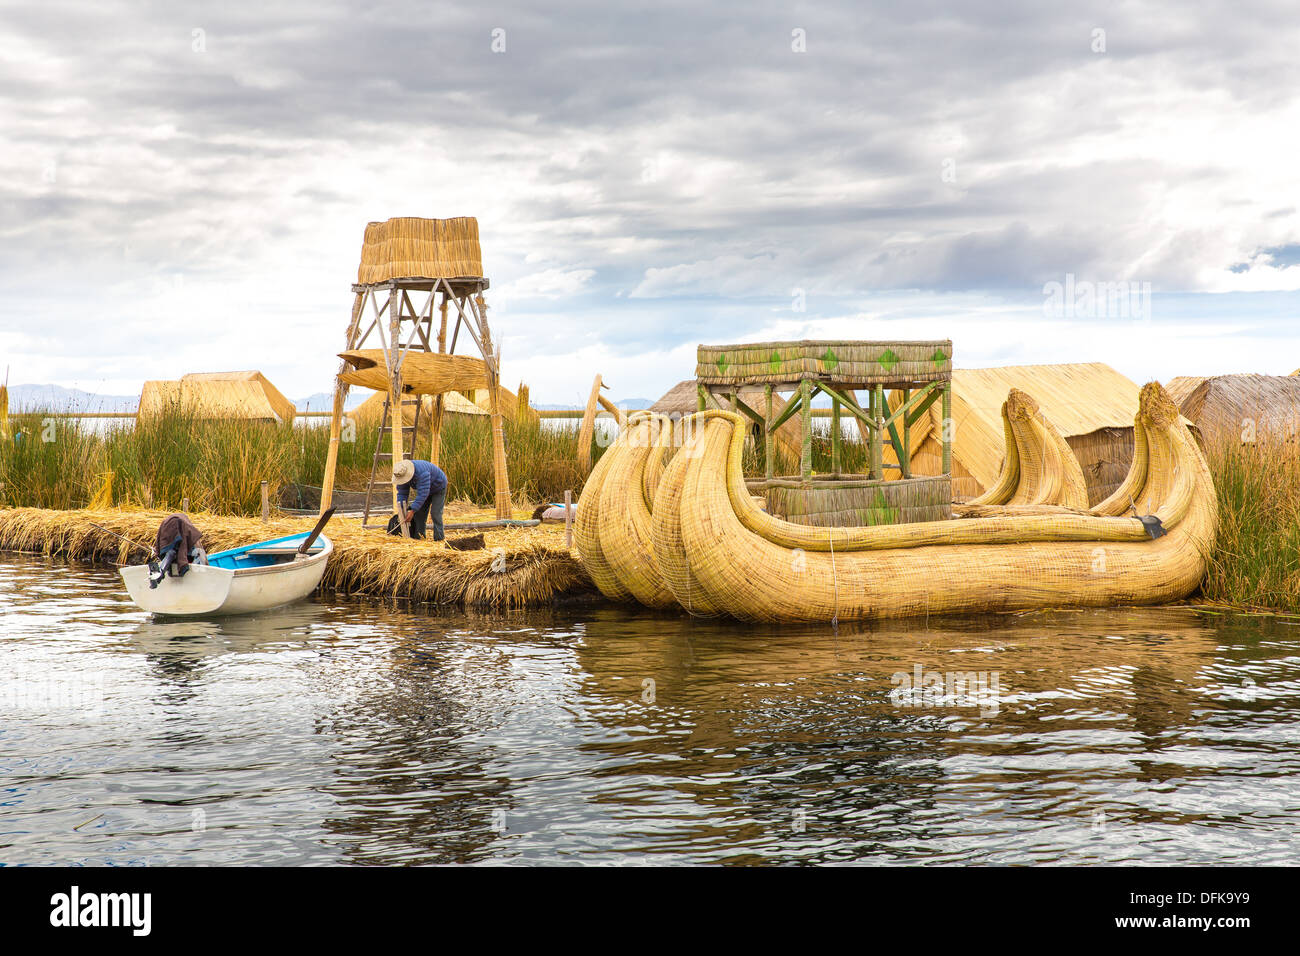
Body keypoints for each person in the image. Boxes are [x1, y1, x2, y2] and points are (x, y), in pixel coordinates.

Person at [390, 458, 447, 541]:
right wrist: (402, 510)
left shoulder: (422, 473)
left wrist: (412, 511)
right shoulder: (401, 474)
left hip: (438, 487)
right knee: (420, 514)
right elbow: (402, 493)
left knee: (435, 513)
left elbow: (423, 494)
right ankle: (419, 537)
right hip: (425, 489)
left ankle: (439, 538)